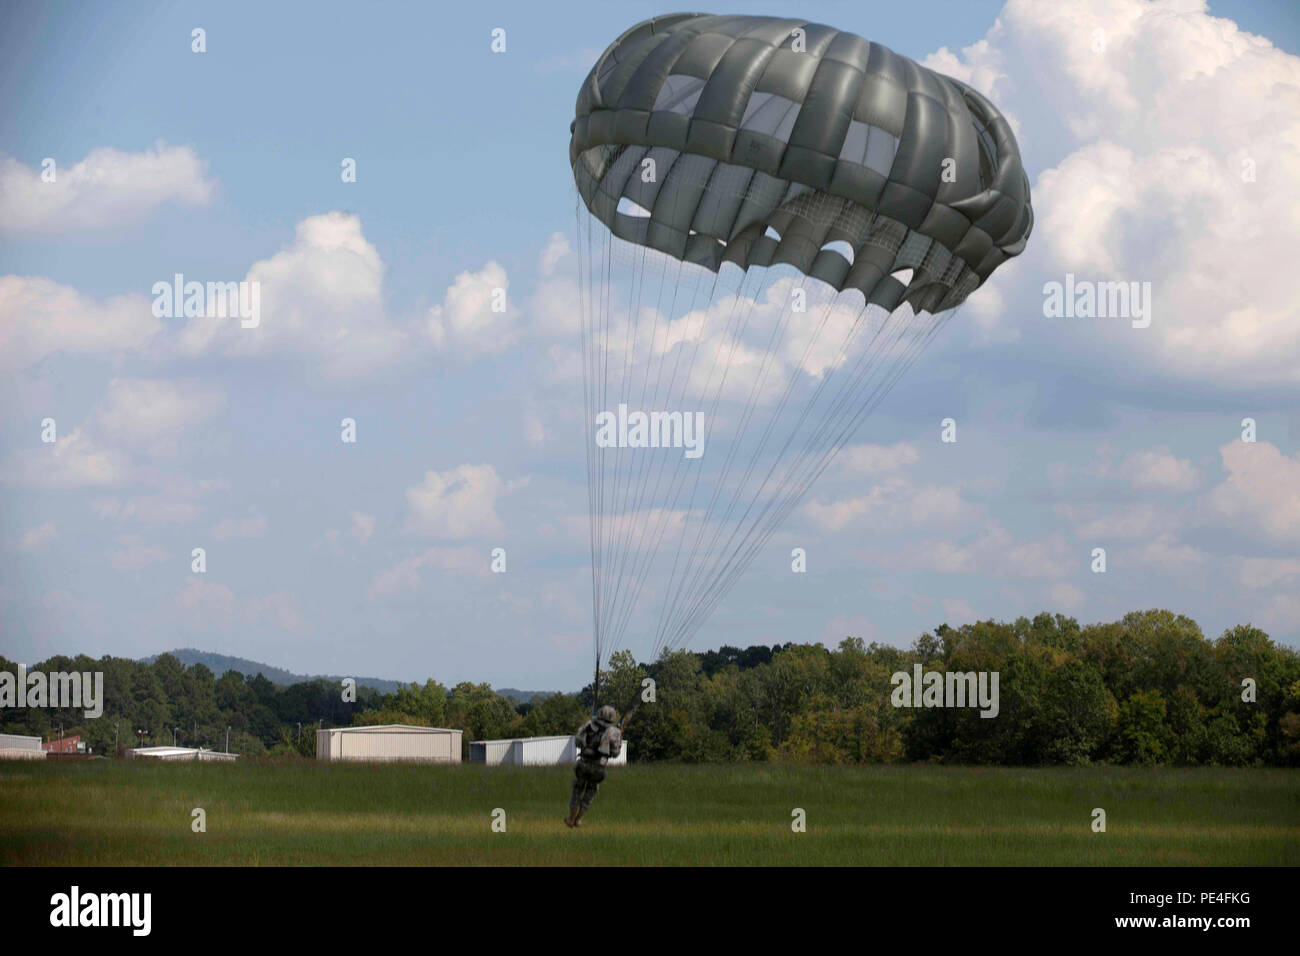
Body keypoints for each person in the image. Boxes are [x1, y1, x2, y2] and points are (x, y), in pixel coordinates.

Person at [566, 704, 621, 828]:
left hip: (583, 763)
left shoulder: (589, 725)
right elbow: (616, 753)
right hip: (599, 768)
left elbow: (578, 741)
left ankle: (570, 819)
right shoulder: (615, 732)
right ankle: (579, 820)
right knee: (590, 792)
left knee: (577, 789)